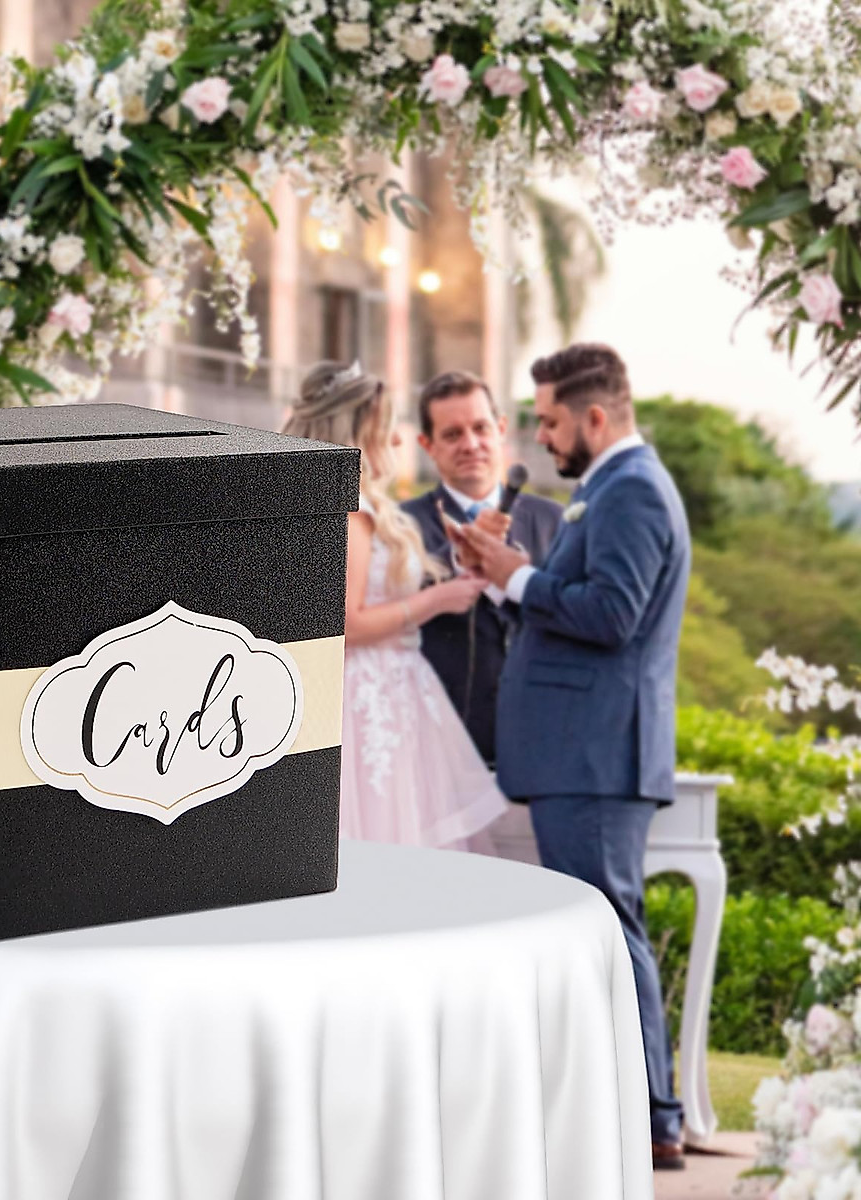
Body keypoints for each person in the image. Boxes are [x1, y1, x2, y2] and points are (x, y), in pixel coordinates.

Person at [458, 343, 691, 1170]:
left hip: (596, 755)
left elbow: (613, 615)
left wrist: (519, 577)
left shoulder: (633, 490)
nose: (544, 437)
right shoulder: (606, 488)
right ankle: (628, 1112)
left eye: (551, 421)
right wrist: (503, 578)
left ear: (594, 416)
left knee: (610, 934)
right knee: (600, 933)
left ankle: (653, 1119)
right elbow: (574, 613)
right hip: (578, 754)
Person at [282, 360, 507, 850]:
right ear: (360, 432)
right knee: (383, 830)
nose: (398, 440)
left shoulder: (354, 505)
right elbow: (346, 623)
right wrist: (435, 600)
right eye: (388, 428)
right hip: (369, 697)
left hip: (395, 693)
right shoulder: (352, 512)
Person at [402, 371, 562, 764]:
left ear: (501, 429)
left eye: (480, 428)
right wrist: (459, 558)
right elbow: (386, 608)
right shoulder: (400, 526)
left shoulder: (554, 521)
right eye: (452, 434)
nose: (471, 444)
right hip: (436, 750)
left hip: (539, 748)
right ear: (427, 445)